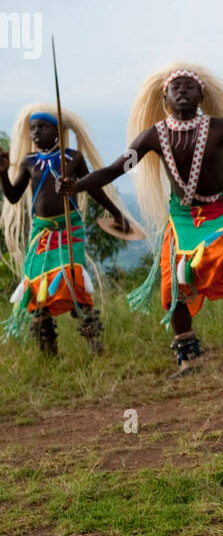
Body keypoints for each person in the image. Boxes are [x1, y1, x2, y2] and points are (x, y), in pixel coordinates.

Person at [66, 65, 223, 372]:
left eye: (189, 86)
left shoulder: (220, 127)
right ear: (165, 97)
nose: (182, 91)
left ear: (202, 95)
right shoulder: (153, 136)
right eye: (176, 87)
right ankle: (188, 352)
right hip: (181, 218)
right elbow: (115, 170)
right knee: (171, 285)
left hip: (219, 211)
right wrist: (76, 185)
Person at [1, 105, 128, 353]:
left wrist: (115, 213)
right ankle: (47, 350)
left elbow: (93, 187)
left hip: (69, 228)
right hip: (41, 232)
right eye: (33, 129)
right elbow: (14, 196)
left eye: (43, 127)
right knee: (36, 286)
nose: (36, 133)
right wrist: (3, 174)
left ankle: (94, 342)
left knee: (71, 280)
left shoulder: (72, 158)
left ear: (58, 132)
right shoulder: (29, 162)